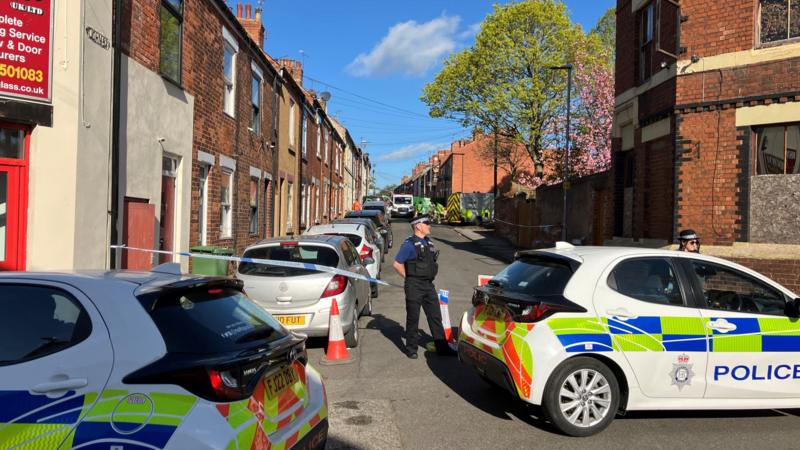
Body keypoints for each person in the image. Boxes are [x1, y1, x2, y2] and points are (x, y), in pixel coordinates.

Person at [393, 215, 456, 359]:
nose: (429, 226)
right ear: (418, 226)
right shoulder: (409, 244)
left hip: (428, 285)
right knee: (413, 318)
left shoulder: (428, 242)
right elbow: (397, 264)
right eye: (426, 223)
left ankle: (442, 348)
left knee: (435, 316)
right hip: (414, 285)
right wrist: (408, 278)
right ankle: (411, 349)